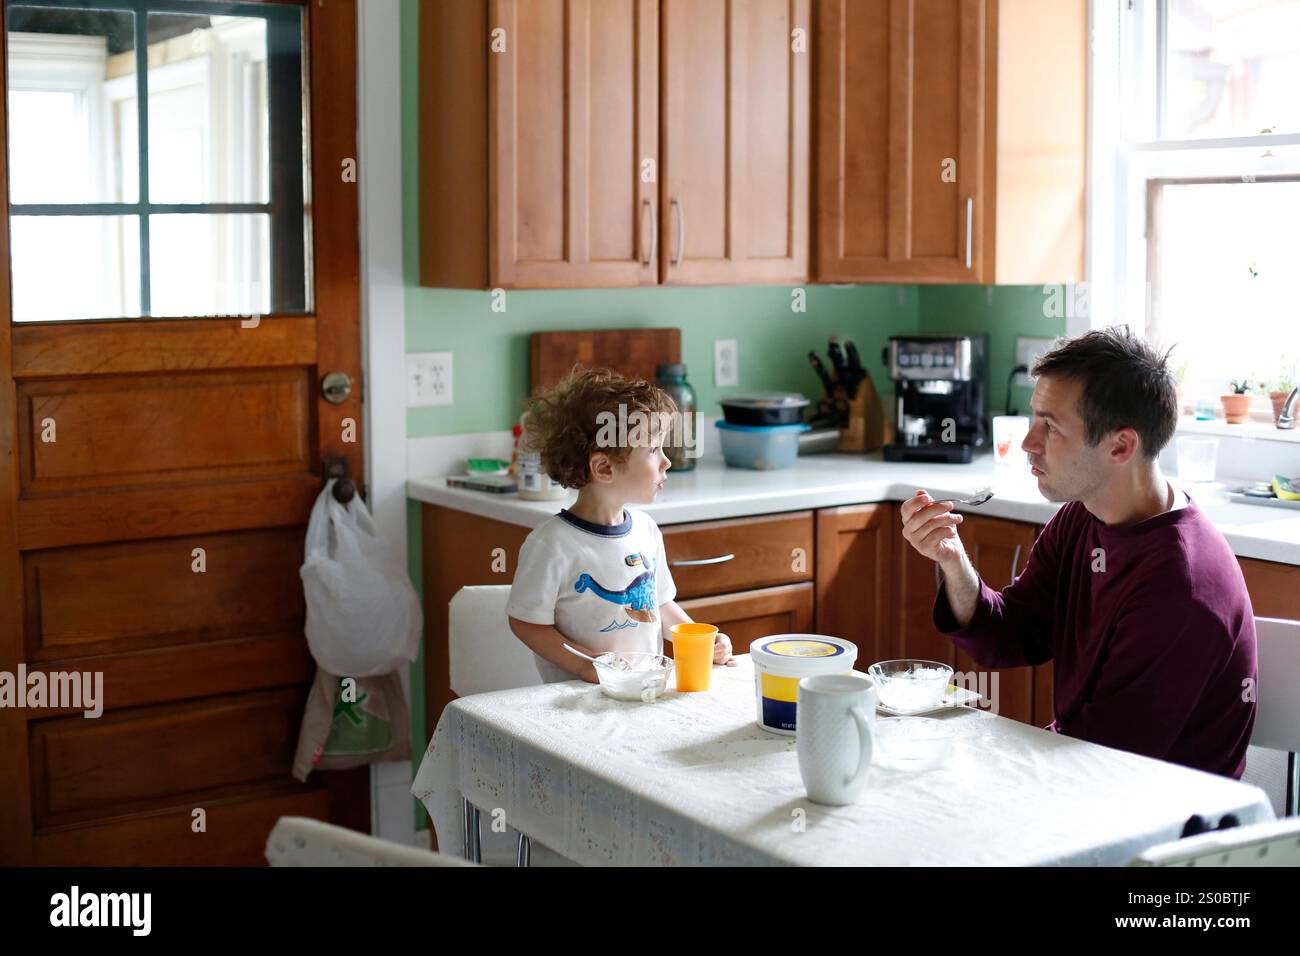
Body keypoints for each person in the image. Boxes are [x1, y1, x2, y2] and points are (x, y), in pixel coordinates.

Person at [900, 327, 1257, 778]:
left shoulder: (1181, 585)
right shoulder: (1084, 516)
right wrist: (953, 561)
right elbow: (1011, 634)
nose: (1029, 442)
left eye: (1050, 427)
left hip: (1158, 825)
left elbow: (1099, 763)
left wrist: (976, 763)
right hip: (1082, 781)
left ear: (1120, 446)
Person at [507, 366, 733, 682]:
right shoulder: (552, 543)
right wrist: (585, 663)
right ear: (603, 467)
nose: (666, 461)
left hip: (642, 689)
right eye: (654, 450)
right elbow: (527, 622)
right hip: (576, 704)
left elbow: (661, 603)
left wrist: (701, 641)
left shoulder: (646, 530)